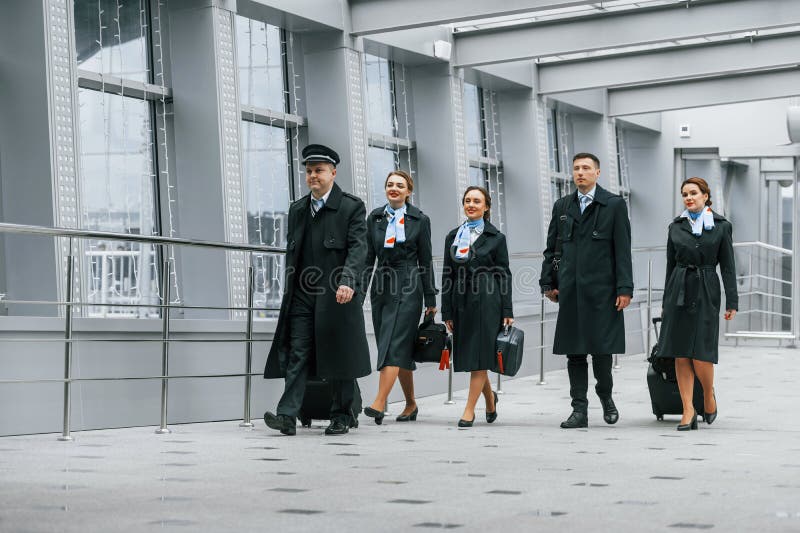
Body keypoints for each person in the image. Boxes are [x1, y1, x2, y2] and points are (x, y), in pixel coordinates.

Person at [263, 144, 371, 436]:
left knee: (338, 354)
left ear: (333, 173)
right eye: (309, 171)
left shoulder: (351, 206)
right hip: (301, 295)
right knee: (298, 353)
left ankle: (341, 414)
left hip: (337, 294)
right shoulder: (298, 209)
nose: (313, 176)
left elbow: (359, 248)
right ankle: (287, 414)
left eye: (319, 170)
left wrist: (348, 280)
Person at [540, 152, 633, 429]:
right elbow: (553, 248)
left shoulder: (614, 205)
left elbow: (622, 250)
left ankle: (606, 397)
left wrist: (624, 288)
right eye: (576, 168)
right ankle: (579, 410)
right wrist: (549, 282)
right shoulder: (562, 206)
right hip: (570, 291)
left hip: (603, 292)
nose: (580, 173)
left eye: (586, 168)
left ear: (597, 172)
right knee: (575, 352)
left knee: (602, 350)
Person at [657, 177, 737, 431]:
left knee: (702, 352)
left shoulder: (722, 226)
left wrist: (731, 301)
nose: (689, 197)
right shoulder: (675, 227)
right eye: (684, 194)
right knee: (681, 353)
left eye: (693, 193)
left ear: (705, 196)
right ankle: (688, 409)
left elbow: (728, 267)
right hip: (678, 290)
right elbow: (670, 266)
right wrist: (665, 302)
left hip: (706, 288)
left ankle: (708, 394)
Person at [361, 171, 437, 425]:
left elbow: (425, 261)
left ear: (408, 191)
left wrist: (431, 299)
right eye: (390, 184)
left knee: (394, 342)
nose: (394, 188)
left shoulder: (419, 219)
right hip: (381, 285)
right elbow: (367, 257)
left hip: (409, 283)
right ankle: (411, 403)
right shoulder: (375, 217)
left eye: (400, 185)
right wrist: (359, 290)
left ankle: (379, 402)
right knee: (396, 344)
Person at [442, 186, 513, 428]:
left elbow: (504, 275)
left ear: (486, 207)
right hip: (460, 301)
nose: (471, 204)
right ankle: (490, 401)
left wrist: (507, 310)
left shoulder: (496, 238)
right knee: (472, 355)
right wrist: (447, 311)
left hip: (487, 300)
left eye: (476, 201)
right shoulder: (453, 236)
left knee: (481, 356)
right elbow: (447, 275)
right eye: (467, 201)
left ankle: (469, 409)